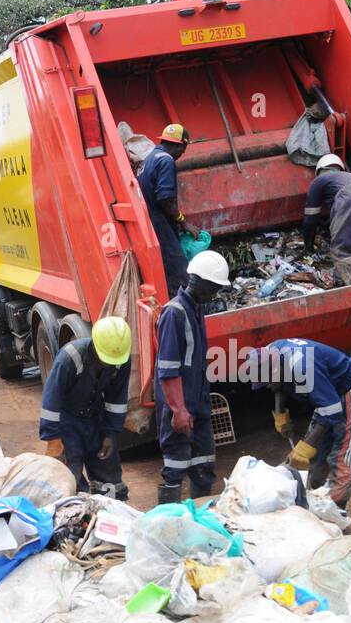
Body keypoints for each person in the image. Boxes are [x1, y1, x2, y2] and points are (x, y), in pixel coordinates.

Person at [254, 338, 351, 509]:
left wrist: (304, 447)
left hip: (350, 386)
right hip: (328, 390)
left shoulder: (303, 367)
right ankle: (314, 498)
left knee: (343, 452)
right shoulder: (270, 351)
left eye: (267, 381)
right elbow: (277, 385)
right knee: (314, 454)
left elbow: (332, 412)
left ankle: (333, 510)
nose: (268, 386)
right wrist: (280, 414)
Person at [155, 250, 230, 504]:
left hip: (198, 407)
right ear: (199, 282)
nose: (215, 294)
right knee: (175, 468)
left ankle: (198, 524)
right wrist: (178, 410)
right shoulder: (174, 313)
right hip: (180, 408)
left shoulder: (195, 310)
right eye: (213, 288)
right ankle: (167, 527)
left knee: (204, 468)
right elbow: (168, 369)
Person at [39, 316, 133, 500]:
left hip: (96, 420)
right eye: (106, 359)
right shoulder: (69, 358)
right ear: (95, 346)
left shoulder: (120, 359)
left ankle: (111, 516)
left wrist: (110, 433)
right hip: (68, 424)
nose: (110, 365)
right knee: (69, 481)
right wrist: (53, 439)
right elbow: (51, 400)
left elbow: (117, 400)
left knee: (110, 480)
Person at [302, 153, 351, 285]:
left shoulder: (319, 181)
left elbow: (310, 218)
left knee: (342, 252)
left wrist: (308, 246)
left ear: (319, 170)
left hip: (350, 198)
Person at [138, 123, 198, 294]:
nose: (182, 154)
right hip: (160, 225)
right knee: (180, 275)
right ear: (180, 145)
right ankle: (182, 314)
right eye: (183, 149)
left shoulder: (150, 158)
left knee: (167, 273)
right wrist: (183, 222)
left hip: (150, 224)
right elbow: (165, 199)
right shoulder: (166, 160)